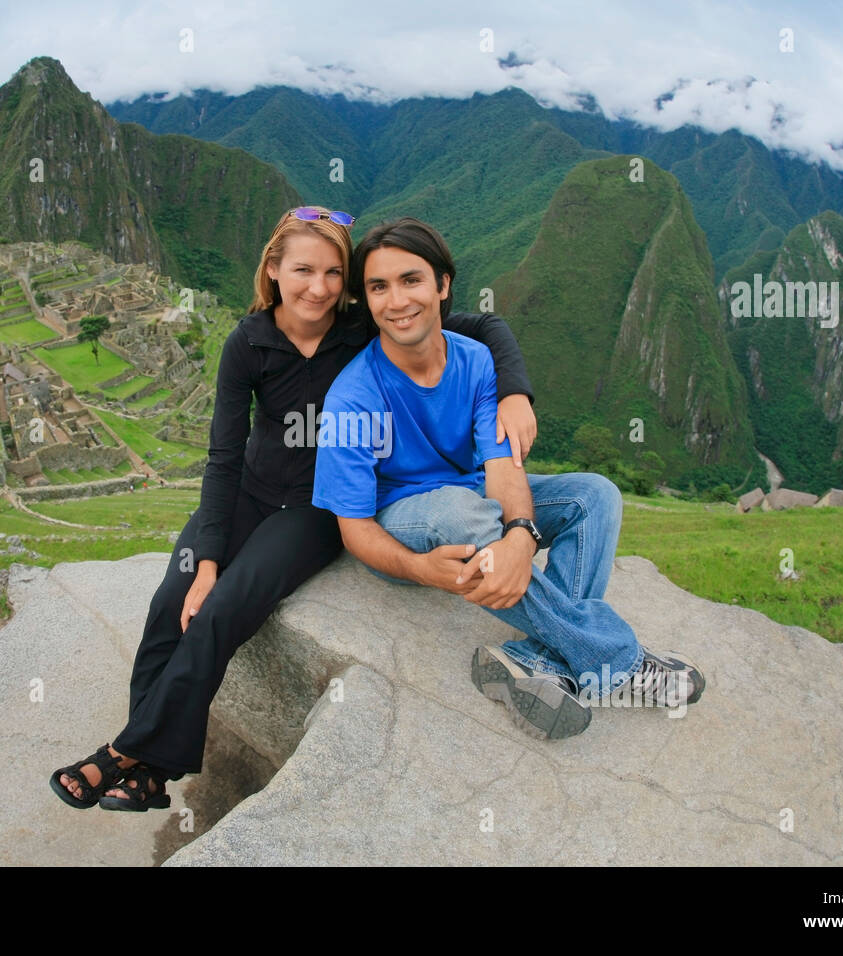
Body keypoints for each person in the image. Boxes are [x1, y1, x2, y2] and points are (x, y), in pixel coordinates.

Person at [50, 206, 538, 810]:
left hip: (313, 508)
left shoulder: (361, 326)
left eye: (335, 273)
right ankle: (152, 772)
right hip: (251, 490)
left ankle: (124, 754)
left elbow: (484, 327)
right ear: (273, 270)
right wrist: (205, 562)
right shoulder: (247, 343)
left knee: (224, 611)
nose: (321, 287)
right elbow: (223, 457)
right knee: (168, 604)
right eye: (304, 270)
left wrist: (515, 391)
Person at [311, 217, 704, 740]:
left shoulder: (475, 360)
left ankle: (534, 661)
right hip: (404, 522)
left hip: (476, 502)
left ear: (443, 285)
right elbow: (354, 528)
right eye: (378, 287)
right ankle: (613, 659)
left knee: (595, 495)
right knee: (458, 509)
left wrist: (520, 534)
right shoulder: (352, 396)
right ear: (366, 299)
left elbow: (502, 466)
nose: (397, 300)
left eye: (411, 280)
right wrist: (419, 569)